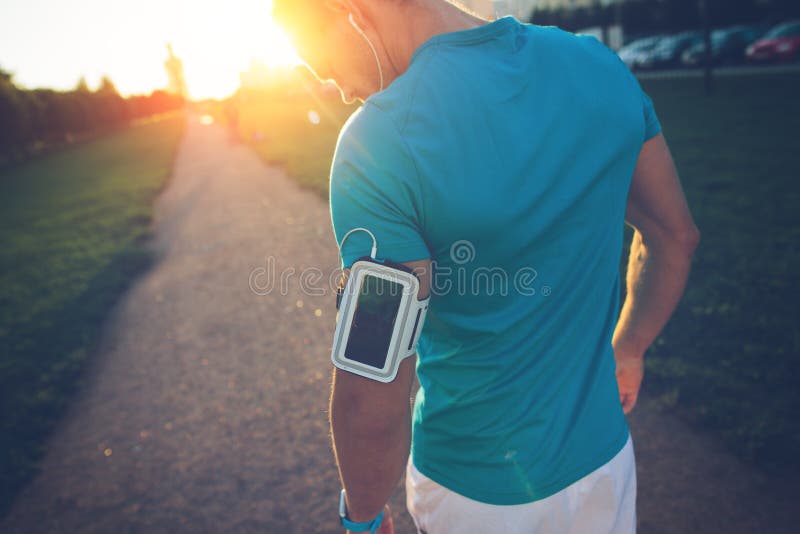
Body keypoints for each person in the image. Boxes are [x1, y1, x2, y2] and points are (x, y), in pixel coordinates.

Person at [272, 1, 700, 533]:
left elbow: (372, 380)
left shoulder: (376, 143)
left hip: (470, 494)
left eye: (320, 62)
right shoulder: (598, 66)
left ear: (352, 11)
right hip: (604, 469)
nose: (333, 87)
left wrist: (361, 514)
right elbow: (674, 235)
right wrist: (630, 347)